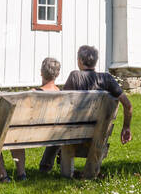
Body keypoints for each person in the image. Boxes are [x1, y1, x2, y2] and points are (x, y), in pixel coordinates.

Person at [39, 44, 133, 174]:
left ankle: (45, 168)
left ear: (80, 61)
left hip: (75, 133)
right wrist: (126, 127)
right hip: (98, 134)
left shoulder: (75, 77)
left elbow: (62, 103)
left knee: (59, 126)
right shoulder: (107, 79)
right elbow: (128, 105)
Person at [0, 56, 61, 182]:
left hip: (30, 134)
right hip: (52, 134)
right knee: (16, 134)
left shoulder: (32, 94)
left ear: (41, 72)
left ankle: (4, 176)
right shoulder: (61, 93)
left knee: (10, 134)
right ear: (57, 74)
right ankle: (21, 175)